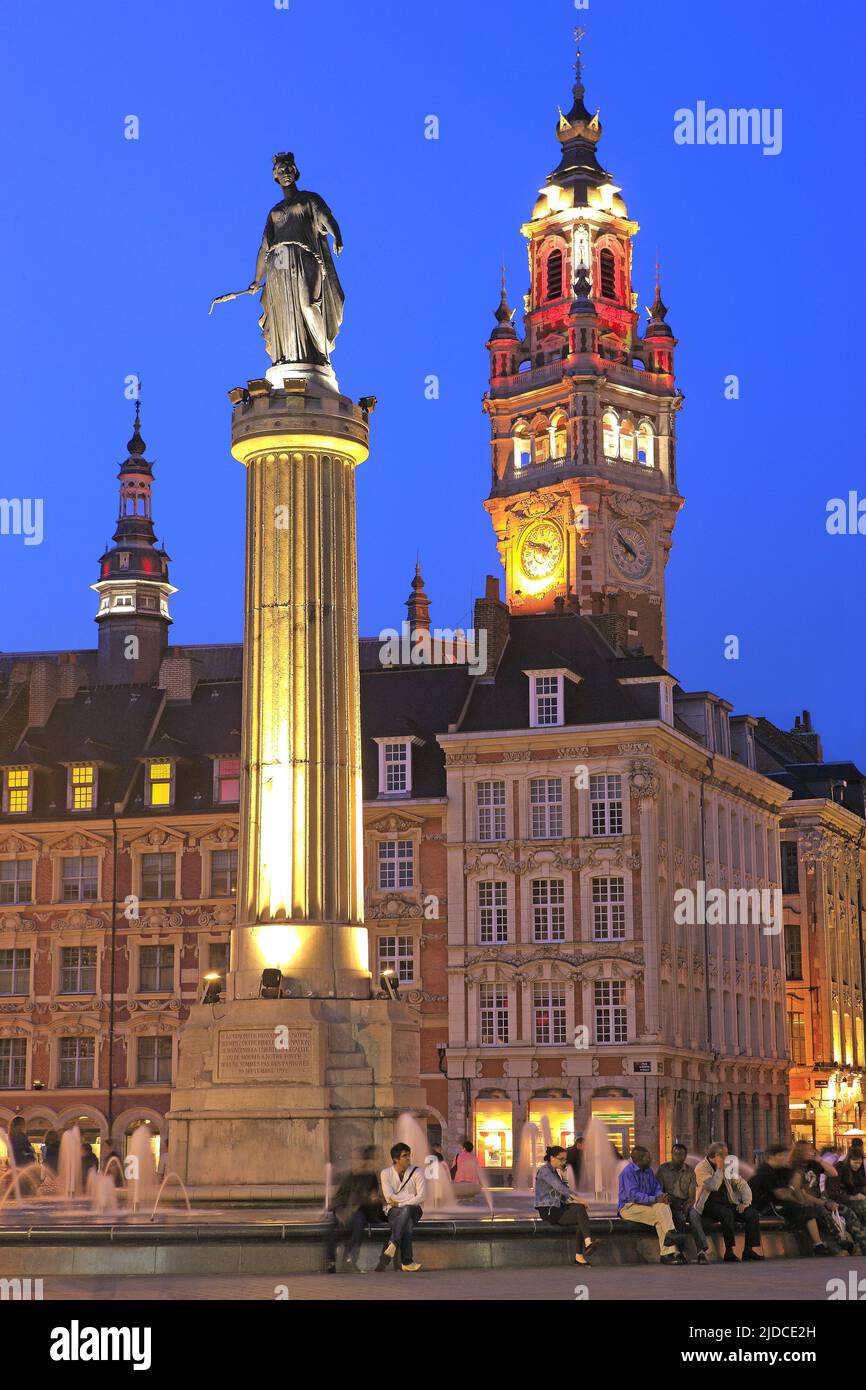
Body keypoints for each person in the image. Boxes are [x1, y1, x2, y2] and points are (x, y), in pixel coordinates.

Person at [749, 1144, 832, 1255]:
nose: (786, 1158)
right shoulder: (765, 1171)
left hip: (776, 1205)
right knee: (806, 1210)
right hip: (765, 1207)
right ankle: (818, 1245)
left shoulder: (779, 1170)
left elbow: (833, 1173)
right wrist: (794, 1189)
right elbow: (782, 1195)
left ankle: (825, 1243)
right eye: (783, 1155)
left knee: (811, 1210)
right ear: (773, 1156)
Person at [694, 1142, 763, 1263]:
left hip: (727, 1203)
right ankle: (729, 1251)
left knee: (752, 1213)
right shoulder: (701, 1168)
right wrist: (720, 1170)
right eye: (724, 1155)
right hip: (709, 1205)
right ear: (715, 1155)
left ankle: (748, 1249)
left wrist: (746, 1202)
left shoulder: (727, 1167)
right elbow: (713, 1186)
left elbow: (741, 1183)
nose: (726, 1157)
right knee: (726, 1213)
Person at [618, 1146, 685, 1264]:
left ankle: (669, 1239)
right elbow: (634, 1196)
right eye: (648, 1158)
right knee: (660, 1214)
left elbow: (656, 1188)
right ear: (639, 1160)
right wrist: (655, 1199)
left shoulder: (648, 1171)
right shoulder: (628, 1172)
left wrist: (661, 1197)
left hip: (646, 1205)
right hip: (629, 1207)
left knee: (662, 1208)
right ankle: (668, 1251)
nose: (651, 1159)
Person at [325, 1145, 385, 1273]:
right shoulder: (349, 1177)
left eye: (358, 1159)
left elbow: (370, 1198)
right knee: (332, 1227)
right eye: (354, 1159)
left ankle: (350, 1259)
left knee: (358, 1221)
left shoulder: (371, 1177)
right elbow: (339, 1198)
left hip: (359, 1212)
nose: (356, 1162)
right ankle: (330, 1261)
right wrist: (340, 1212)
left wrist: (372, 1199)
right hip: (343, 1210)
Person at [534, 1146, 597, 1265]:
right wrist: (579, 1199)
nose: (564, 1162)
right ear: (552, 1158)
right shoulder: (545, 1171)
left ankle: (583, 1251)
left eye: (565, 1160)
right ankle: (586, 1246)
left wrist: (564, 1177)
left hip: (558, 1207)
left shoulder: (554, 1172)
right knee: (580, 1211)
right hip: (548, 1210)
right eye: (561, 1159)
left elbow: (563, 1192)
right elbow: (560, 1188)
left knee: (580, 1211)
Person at [790, 1141, 847, 1251]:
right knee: (823, 1211)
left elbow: (833, 1173)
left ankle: (860, 1240)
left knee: (845, 1210)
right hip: (808, 1201)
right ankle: (840, 1241)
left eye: (811, 1149)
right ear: (799, 1152)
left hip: (820, 1198)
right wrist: (825, 1203)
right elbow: (802, 1195)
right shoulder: (795, 1168)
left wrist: (819, 1160)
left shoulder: (813, 1164)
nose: (810, 1151)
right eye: (807, 1149)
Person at [657, 1143, 710, 1263]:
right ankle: (679, 1251)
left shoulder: (690, 1171)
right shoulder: (663, 1169)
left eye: (680, 1155)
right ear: (671, 1155)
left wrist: (687, 1205)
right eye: (675, 1154)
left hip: (685, 1202)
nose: (677, 1157)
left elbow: (692, 1196)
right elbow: (659, 1190)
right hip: (669, 1202)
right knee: (679, 1217)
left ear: (685, 1156)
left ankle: (701, 1251)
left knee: (694, 1215)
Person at [379, 1142, 426, 1273]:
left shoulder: (418, 1172)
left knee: (406, 1210)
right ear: (395, 1159)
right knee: (408, 1222)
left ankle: (393, 1243)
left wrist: (399, 1203)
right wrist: (410, 1197)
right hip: (393, 1211)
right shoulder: (386, 1173)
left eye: (409, 1155)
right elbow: (389, 1197)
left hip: (415, 1210)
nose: (408, 1158)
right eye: (405, 1156)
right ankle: (407, 1262)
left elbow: (422, 1196)